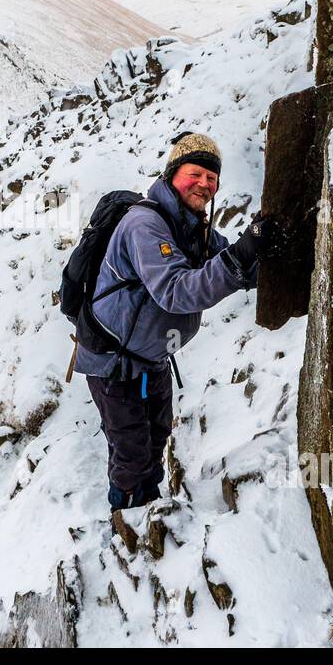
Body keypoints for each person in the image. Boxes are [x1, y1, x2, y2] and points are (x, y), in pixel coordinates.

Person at [73, 131, 276, 512]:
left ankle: (152, 512)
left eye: (211, 178)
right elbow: (177, 291)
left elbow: (230, 263)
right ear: (172, 175)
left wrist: (263, 256)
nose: (204, 184)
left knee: (155, 440)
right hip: (113, 364)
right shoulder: (144, 225)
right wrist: (241, 255)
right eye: (195, 173)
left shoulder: (194, 226)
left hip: (152, 359)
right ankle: (129, 521)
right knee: (132, 457)